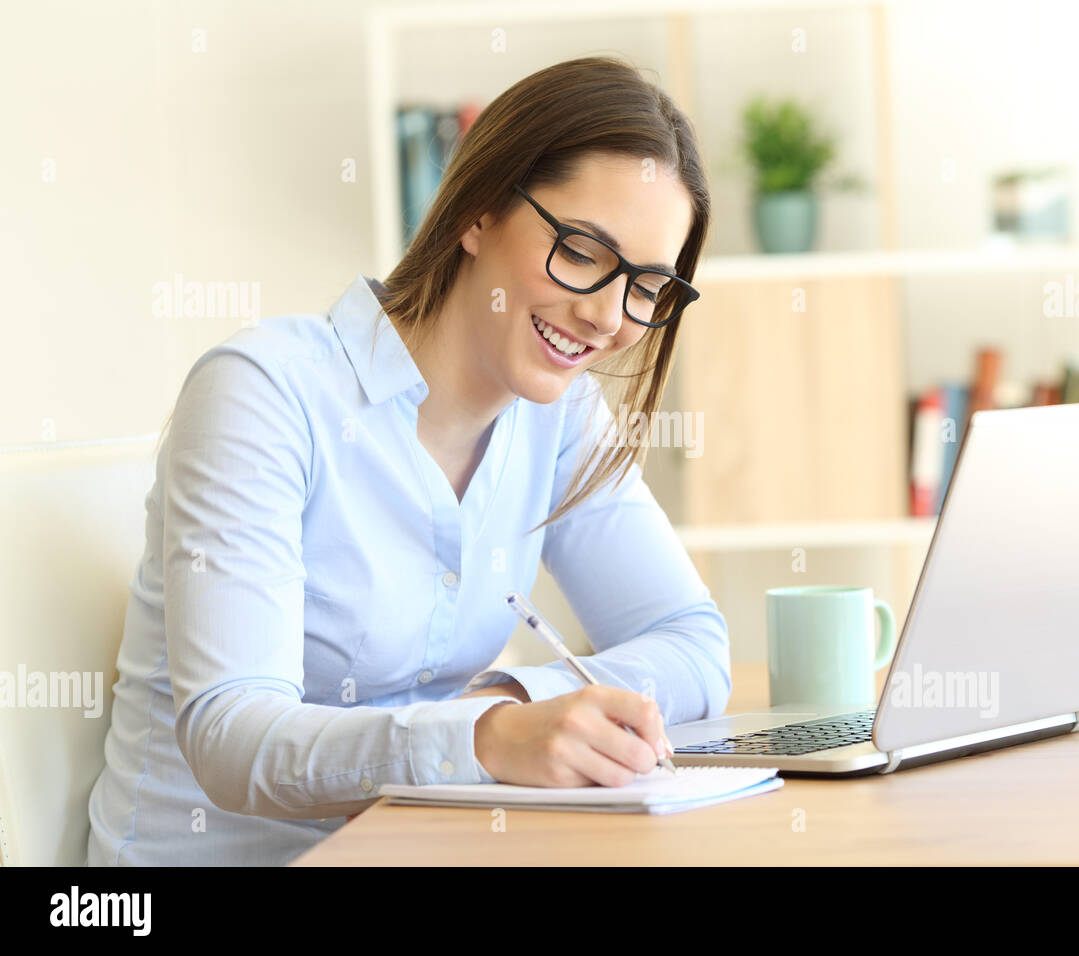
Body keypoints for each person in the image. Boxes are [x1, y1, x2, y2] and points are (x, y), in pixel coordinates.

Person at [86, 54, 729, 866]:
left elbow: (692, 643)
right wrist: (487, 739)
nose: (606, 316)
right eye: (582, 250)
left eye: (647, 285)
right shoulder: (266, 392)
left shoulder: (558, 418)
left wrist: (512, 701)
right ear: (478, 212)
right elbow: (231, 736)